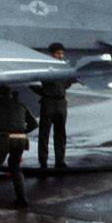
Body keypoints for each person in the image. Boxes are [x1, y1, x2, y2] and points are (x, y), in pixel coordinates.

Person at [31, 42, 70, 172]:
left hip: (61, 103)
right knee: (44, 134)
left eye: (62, 53)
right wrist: (45, 93)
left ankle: (60, 161)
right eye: (58, 53)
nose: (60, 56)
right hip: (48, 102)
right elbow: (33, 82)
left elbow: (69, 81)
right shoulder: (45, 68)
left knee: (60, 134)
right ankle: (43, 162)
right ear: (52, 55)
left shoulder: (64, 67)